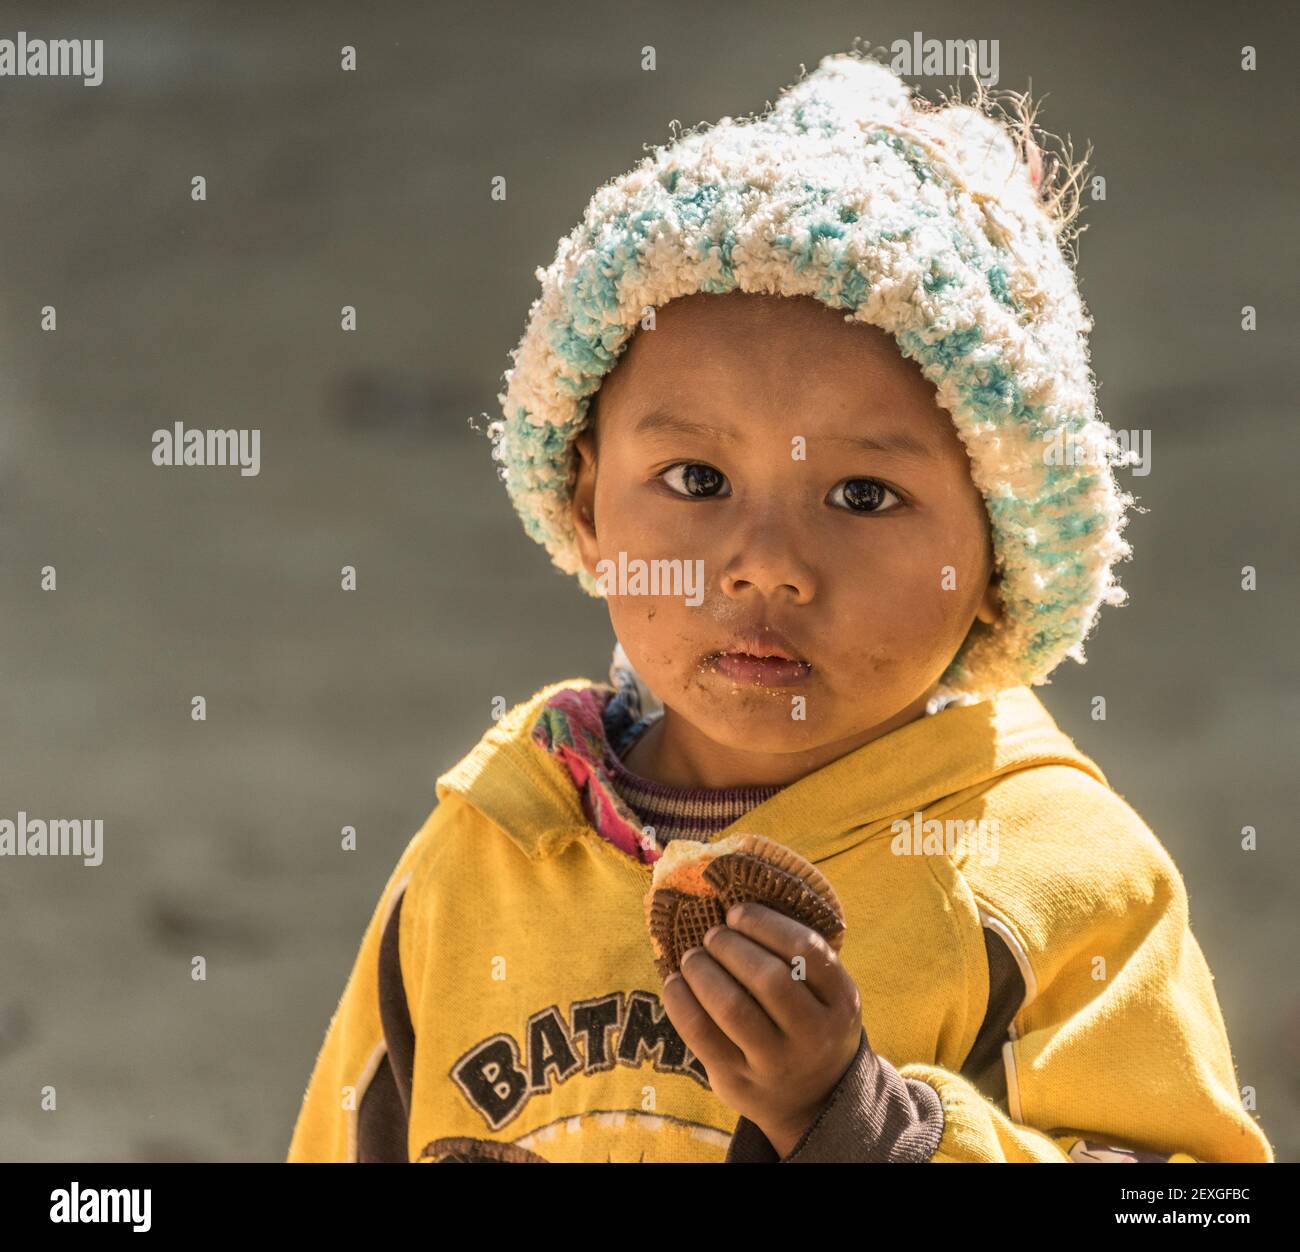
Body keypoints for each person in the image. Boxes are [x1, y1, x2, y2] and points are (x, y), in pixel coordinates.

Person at [286, 50, 1273, 1164]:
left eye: (862, 494)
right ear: (582, 499)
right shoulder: (488, 845)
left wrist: (853, 1125)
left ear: (1004, 556)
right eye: (697, 480)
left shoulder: (1060, 878)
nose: (767, 566)